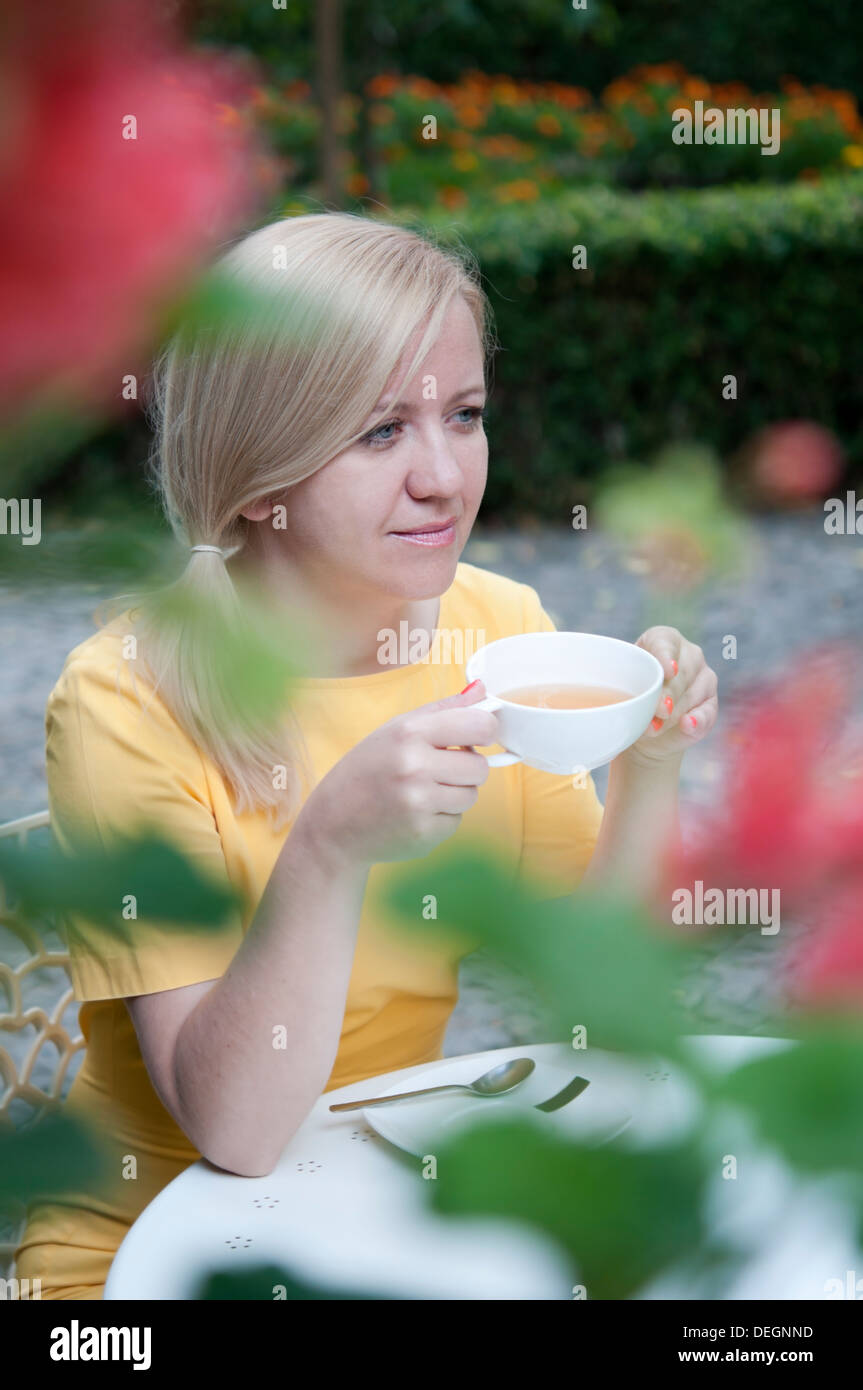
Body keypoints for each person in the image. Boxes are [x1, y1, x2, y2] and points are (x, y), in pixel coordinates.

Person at [13, 211, 718, 1299]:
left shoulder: (501, 636)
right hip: (140, 1262)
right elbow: (235, 1131)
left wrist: (651, 754)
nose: (443, 475)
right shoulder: (127, 697)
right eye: (380, 432)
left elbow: (600, 1009)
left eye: (465, 414)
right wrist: (331, 845)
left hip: (379, 1221)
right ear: (259, 479)